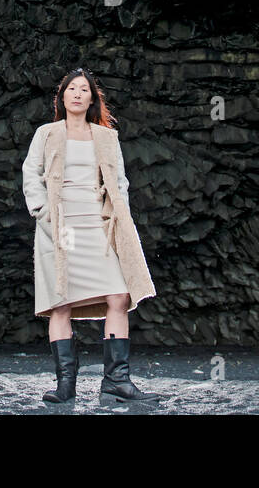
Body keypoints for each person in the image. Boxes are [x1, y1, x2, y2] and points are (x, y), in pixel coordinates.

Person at [21, 67, 158, 403]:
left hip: (98, 223)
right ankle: (65, 386)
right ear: (62, 97)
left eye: (85, 89)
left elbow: (120, 182)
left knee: (119, 297)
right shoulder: (46, 133)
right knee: (61, 303)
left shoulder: (106, 137)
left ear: (93, 99)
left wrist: (120, 215)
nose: (78, 94)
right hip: (60, 226)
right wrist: (42, 213)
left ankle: (116, 381)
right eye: (72, 89)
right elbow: (31, 173)